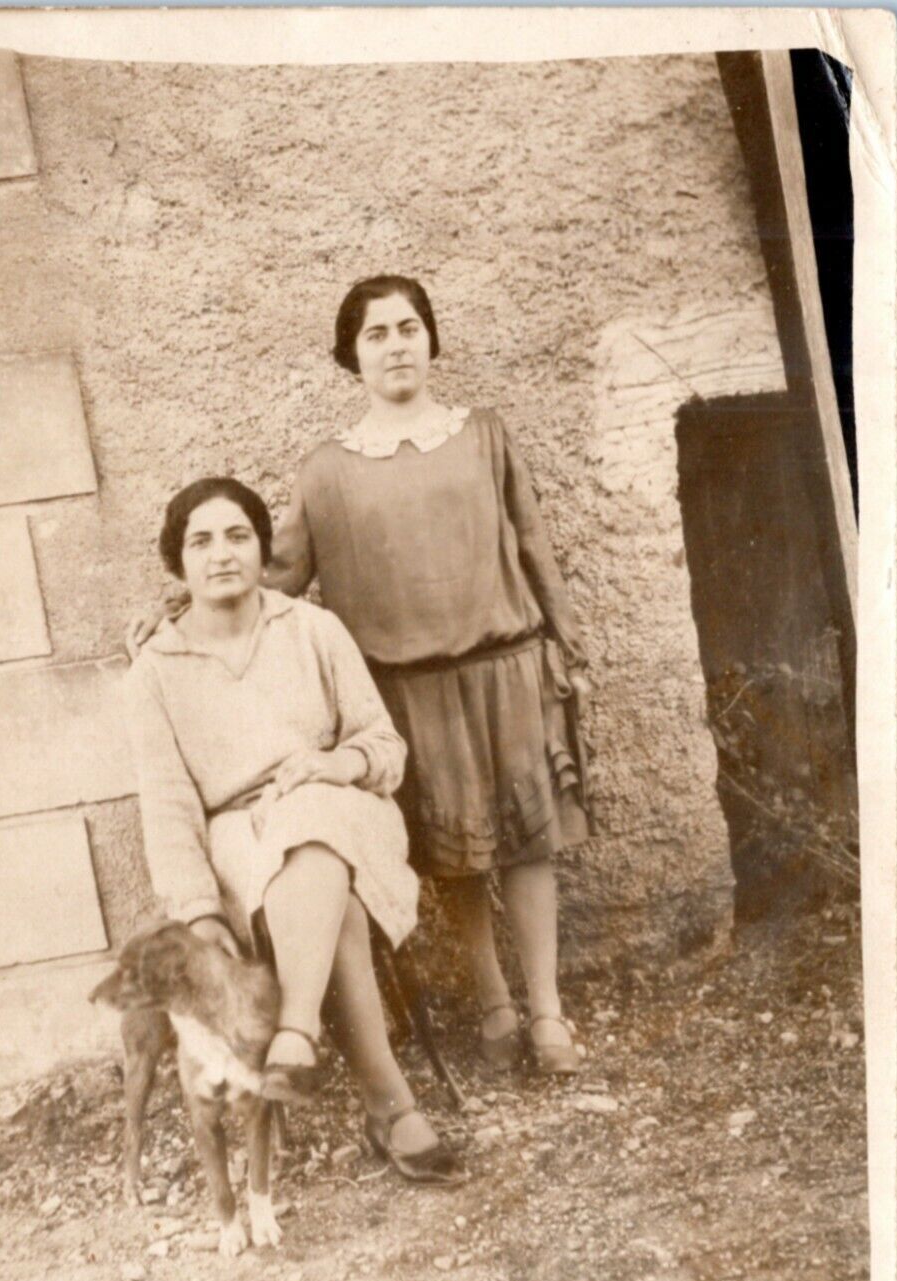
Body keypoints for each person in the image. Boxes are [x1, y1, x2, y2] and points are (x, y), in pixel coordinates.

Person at [132, 276, 592, 1074]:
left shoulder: (484, 435)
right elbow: (271, 572)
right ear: (353, 356)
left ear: (431, 338)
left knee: (527, 845)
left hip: (505, 669)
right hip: (406, 691)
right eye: (376, 334)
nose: (396, 345)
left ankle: (548, 1013)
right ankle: (493, 1005)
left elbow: (533, 543)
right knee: (457, 856)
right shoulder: (327, 471)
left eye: (409, 327)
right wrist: (182, 599)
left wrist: (566, 642)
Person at [124, 474, 462, 1184]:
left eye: (239, 535)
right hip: (237, 841)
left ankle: (298, 1031)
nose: (222, 554)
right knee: (316, 877)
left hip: (342, 807)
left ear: (262, 547)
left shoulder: (313, 629)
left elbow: (385, 750)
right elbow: (167, 807)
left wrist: (332, 765)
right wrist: (199, 912)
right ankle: (386, 1103)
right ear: (177, 562)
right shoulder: (155, 670)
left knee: (313, 828)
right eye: (201, 541)